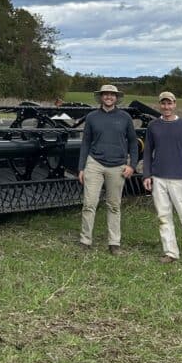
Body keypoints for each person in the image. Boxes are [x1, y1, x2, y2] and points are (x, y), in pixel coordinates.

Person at [142, 91, 182, 268]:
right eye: (163, 104)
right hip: (158, 178)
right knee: (163, 216)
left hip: (179, 180)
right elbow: (147, 152)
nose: (166, 107)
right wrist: (147, 174)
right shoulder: (153, 126)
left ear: (175, 104)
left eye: (169, 103)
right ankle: (170, 252)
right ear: (159, 105)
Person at [77, 84, 137, 255]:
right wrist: (81, 168)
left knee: (114, 205)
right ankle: (85, 240)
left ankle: (114, 243)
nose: (109, 97)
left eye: (112, 94)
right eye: (106, 94)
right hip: (94, 164)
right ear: (101, 97)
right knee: (89, 204)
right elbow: (86, 143)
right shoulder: (92, 117)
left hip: (118, 166)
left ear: (116, 98)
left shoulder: (125, 117)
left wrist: (131, 165)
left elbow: (133, 142)